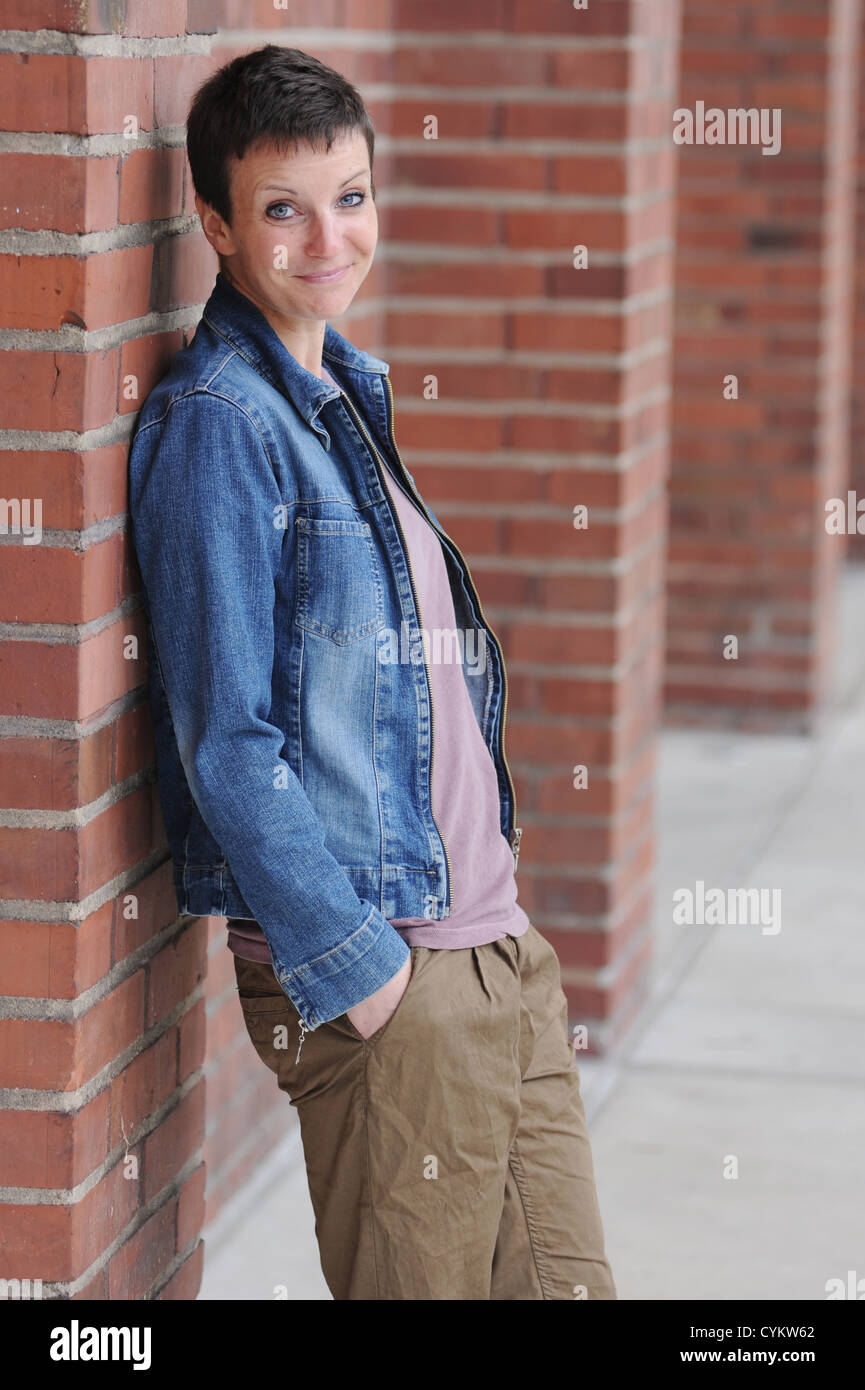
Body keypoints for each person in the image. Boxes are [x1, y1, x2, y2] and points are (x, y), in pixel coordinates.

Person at [127, 43, 616, 1302]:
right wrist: (366, 973)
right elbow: (226, 739)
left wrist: (480, 954)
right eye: (283, 207)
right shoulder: (221, 427)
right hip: (390, 976)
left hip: (495, 951)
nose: (326, 236)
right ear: (219, 225)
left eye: (349, 197)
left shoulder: (341, 393)